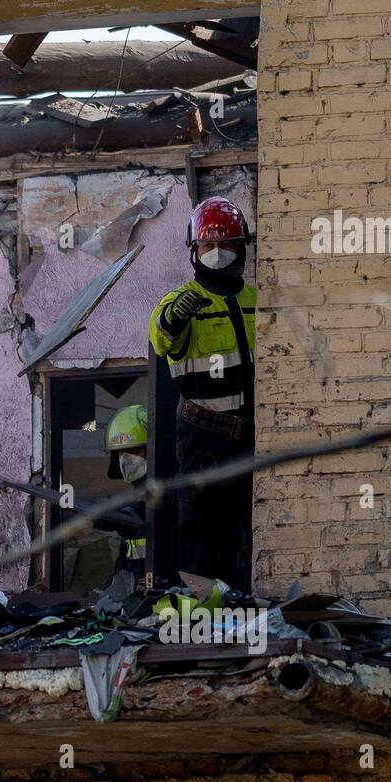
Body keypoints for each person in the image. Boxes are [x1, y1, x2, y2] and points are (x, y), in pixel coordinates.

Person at [148, 196, 255, 591]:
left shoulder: (257, 300)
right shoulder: (181, 302)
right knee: (200, 528)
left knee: (246, 532)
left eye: (225, 245)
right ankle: (203, 615)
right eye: (208, 246)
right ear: (194, 251)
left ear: (241, 248)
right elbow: (161, 335)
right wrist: (174, 319)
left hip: (252, 440)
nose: (216, 253)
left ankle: (245, 606)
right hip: (203, 440)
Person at [103, 403, 149, 586]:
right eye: (122, 452)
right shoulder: (137, 493)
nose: (126, 458)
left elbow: (142, 511)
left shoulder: (167, 492)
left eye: (135, 450)